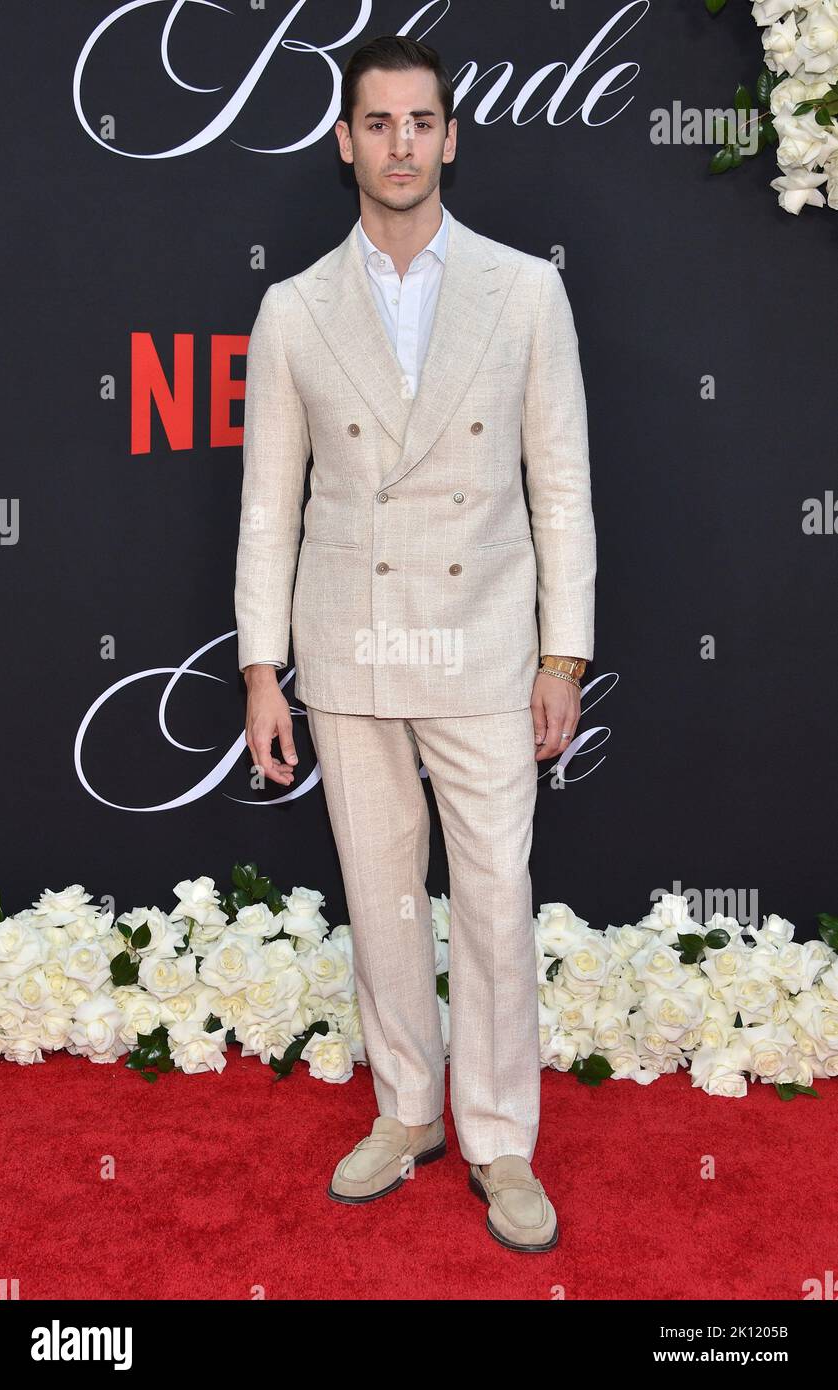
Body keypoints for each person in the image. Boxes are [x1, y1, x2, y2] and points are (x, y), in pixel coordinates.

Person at [234, 34, 596, 1254]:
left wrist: (562, 657)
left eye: (419, 122)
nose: (399, 145)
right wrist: (259, 668)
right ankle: (406, 1109)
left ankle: (498, 1137)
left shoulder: (522, 290)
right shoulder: (291, 310)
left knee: (493, 901)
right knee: (385, 898)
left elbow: (560, 490)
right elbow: (267, 507)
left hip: (486, 646)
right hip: (347, 650)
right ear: (344, 142)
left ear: (449, 136)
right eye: (375, 123)